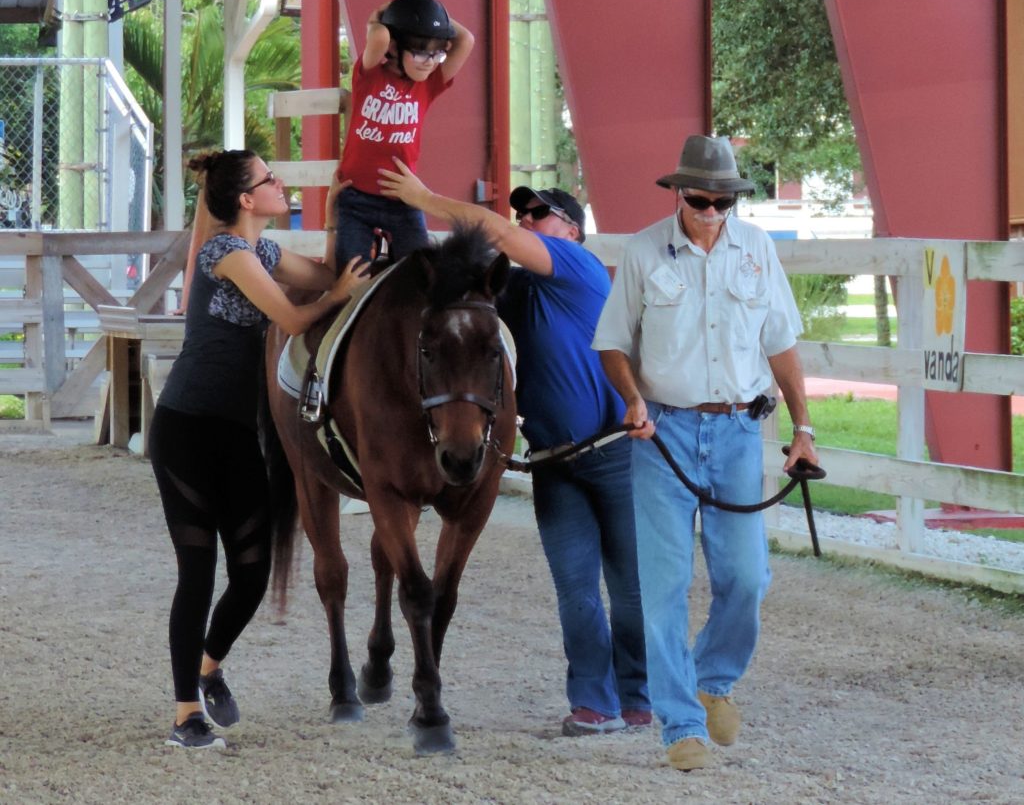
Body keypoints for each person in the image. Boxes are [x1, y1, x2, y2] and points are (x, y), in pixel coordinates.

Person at [378, 158, 649, 737]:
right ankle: (594, 702)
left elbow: (494, 234)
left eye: (540, 216)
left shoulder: (577, 267)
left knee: (630, 585)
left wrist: (425, 197)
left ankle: (641, 695)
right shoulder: (504, 292)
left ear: (572, 231)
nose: (525, 220)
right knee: (577, 590)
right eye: (521, 213)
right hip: (554, 458)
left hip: (614, 452)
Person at [592, 135, 819, 772]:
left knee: (747, 577)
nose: (712, 210)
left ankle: (711, 680)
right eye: (700, 199)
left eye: (724, 200)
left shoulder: (757, 252)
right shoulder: (642, 251)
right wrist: (633, 400)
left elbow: (781, 344)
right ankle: (679, 725)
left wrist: (803, 428)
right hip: (662, 433)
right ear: (678, 194)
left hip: (740, 433)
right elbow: (611, 342)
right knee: (663, 584)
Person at [152, 149, 369, 749]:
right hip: (186, 428)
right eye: (269, 179)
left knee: (252, 574)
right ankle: (184, 715)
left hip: (236, 431)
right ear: (246, 200)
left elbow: (330, 278)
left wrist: (335, 212)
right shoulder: (226, 253)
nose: (279, 183)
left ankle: (208, 664)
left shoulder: (264, 252)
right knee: (197, 573)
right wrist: (337, 292)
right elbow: (296, 319)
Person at [324, 0, 475, 271]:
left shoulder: (429, 85)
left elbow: (466, 41)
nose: (429, 61)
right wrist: (384, 12)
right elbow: (379, 35)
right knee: (349, 278)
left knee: (421, 275)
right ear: (394, 47)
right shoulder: (368, 76)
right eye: (420, 51)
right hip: (355, 199)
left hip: (403, 198)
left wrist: (433, 19)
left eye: (436, 53)